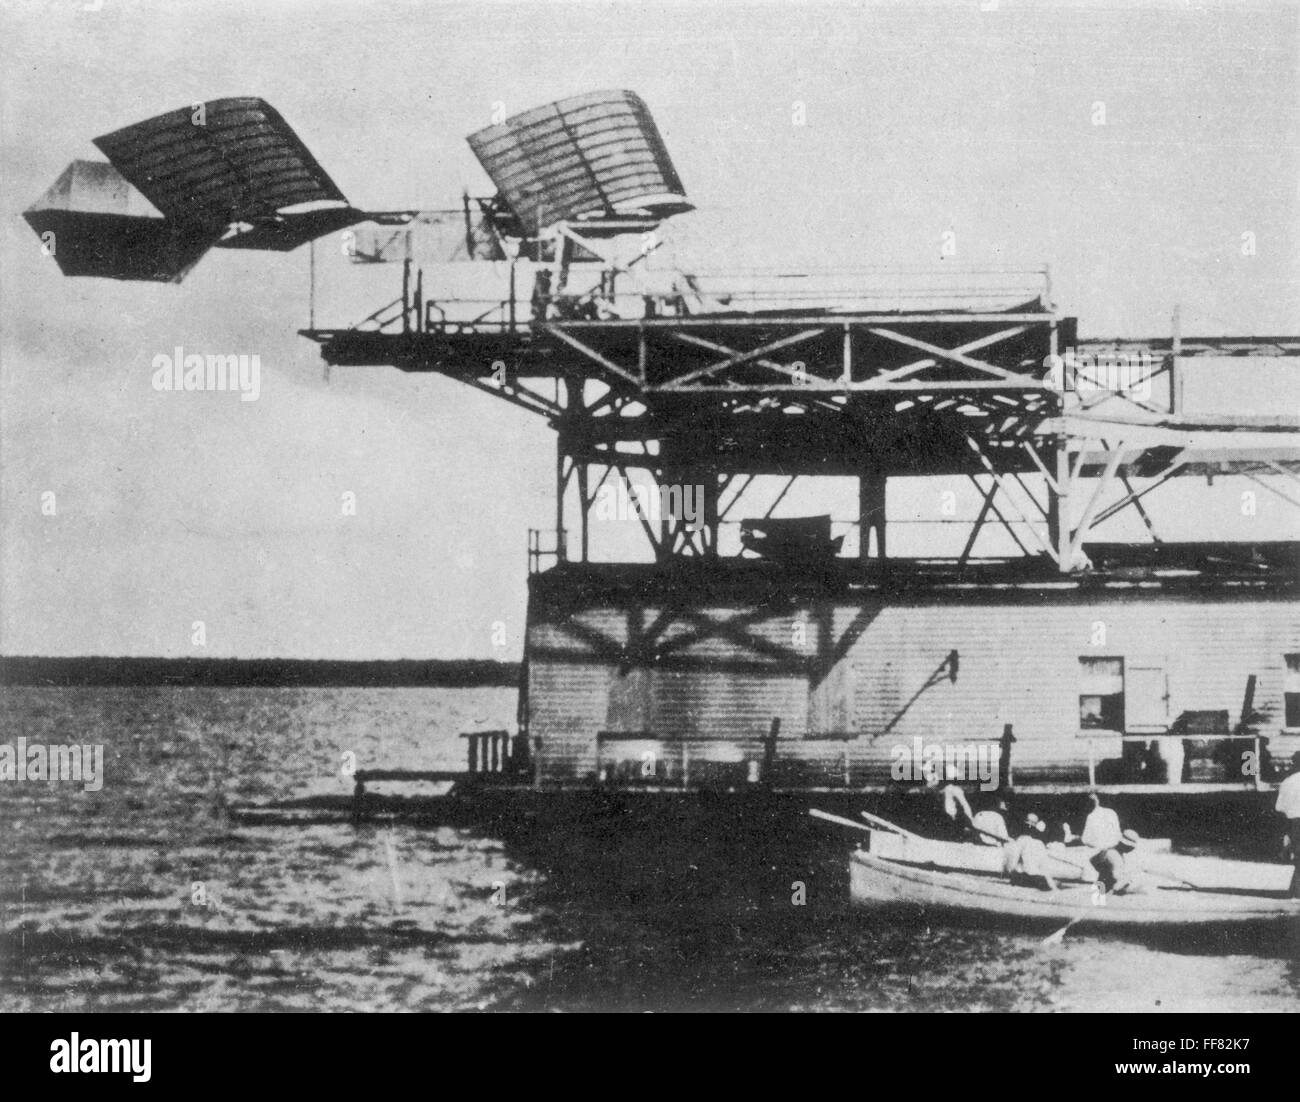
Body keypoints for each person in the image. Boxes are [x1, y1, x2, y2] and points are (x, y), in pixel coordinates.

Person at [1003, 814, 1058, 891]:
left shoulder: (1020, 841)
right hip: (1038, 878)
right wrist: (1053, 886)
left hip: (1022, 877)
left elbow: (1011, 865)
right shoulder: (1040, 844)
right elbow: (1045, 869)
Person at [1276, 751, 1300, 899]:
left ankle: (1296, 890)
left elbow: (1279, 807)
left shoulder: (1287, 782)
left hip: (1294, 823)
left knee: (1298, 856)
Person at [1091, 828, 1144, 895]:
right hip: (1108, 889)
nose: (1132, 850)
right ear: (1126, 845)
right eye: (1131, 847)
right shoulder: (1114, 855)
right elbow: (1117, 877)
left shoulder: (1112, 851)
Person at [937, 765, 973, 838]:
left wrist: (970, 820)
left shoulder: (954, 790)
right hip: (948, 817)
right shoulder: (946, 789)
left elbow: (964, 805)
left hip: (952, 817)